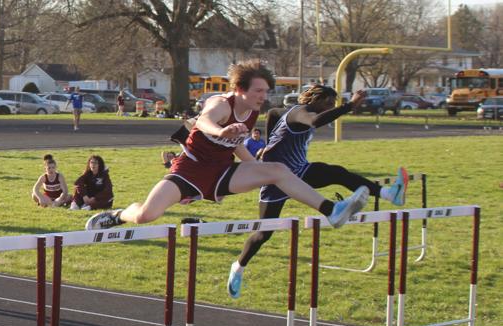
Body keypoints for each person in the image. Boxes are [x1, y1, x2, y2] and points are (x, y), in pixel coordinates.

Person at [86, 59, 369, 232]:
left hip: (221, 172)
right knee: (147, 214)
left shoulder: (252, 111)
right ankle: (117, 216)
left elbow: (236, 147)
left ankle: (332, 210)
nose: (263, 96)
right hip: (189, 171)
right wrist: (222, 130)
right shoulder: (221, 104)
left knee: (278, 170)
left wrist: (257, 169)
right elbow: (204, 124)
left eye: (266, 91)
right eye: (258, 91)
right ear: (239, 89)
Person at [227, 86, 409, 298]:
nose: (330, 108)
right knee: (264, 233)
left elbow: (274, 113)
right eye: (328, 103)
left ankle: (389, 194)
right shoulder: (300, 113)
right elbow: (314, 121)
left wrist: (268, 143)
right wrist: (349, 106)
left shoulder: (289, 112)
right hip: (274, 180)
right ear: (315, 99)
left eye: (333, 104)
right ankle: (238, 267)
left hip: (300, 171)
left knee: (336, 172)